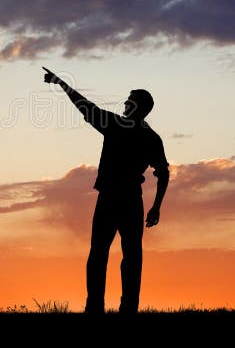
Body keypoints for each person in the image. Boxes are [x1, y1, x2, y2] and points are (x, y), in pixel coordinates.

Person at [42, 67, 169, 314]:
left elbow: (85, 107)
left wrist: (156, 206)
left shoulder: (122, 128)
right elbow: (86, 107)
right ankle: (108, 307)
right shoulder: (145, 136)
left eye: (130, 101)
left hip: (116, 199)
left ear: (140, 107)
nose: (126, 103)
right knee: (117, 255)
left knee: (113, 255)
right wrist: (156, 207)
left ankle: (106, 308)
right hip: (124, 199)